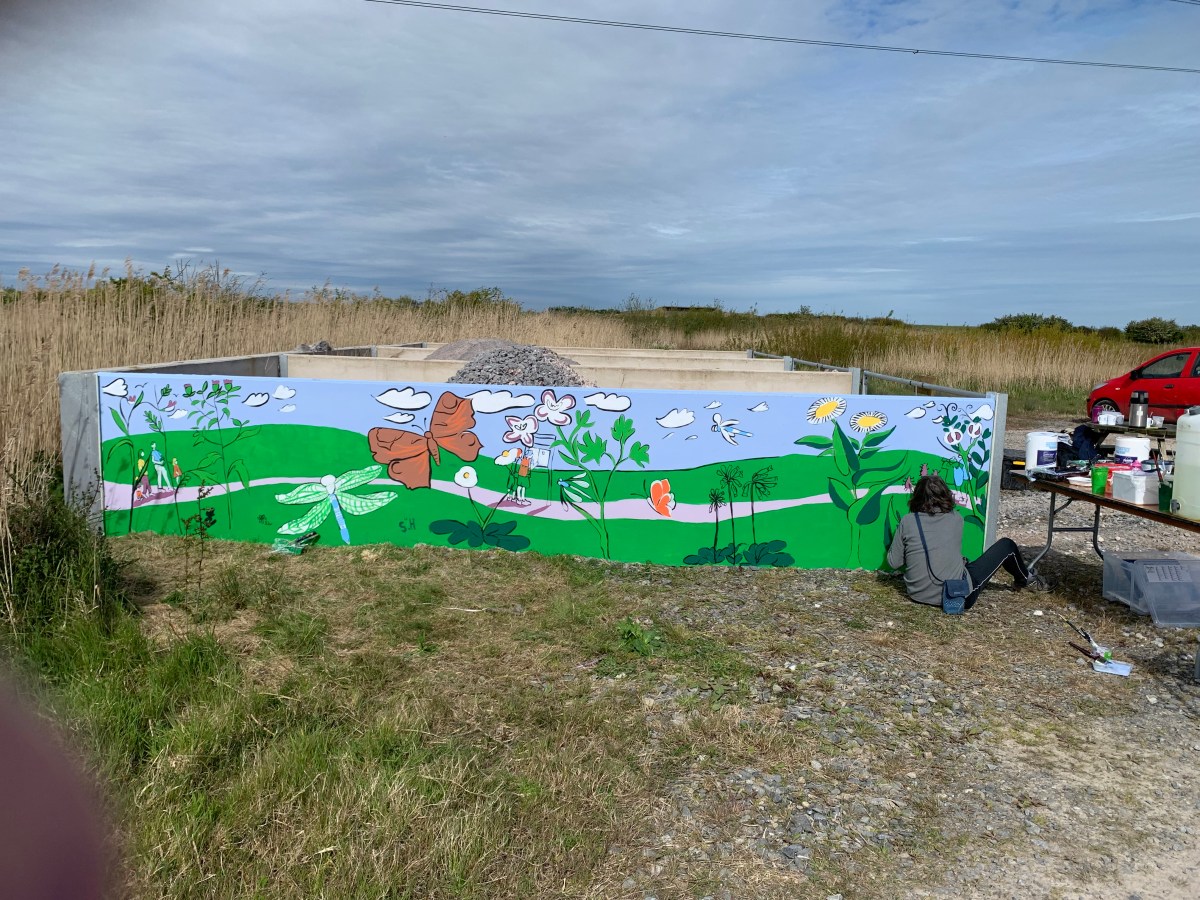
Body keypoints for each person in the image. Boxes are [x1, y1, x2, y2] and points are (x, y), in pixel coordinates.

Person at [886, 474, 1049, 609]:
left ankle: (1025, 578)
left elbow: (893, 563)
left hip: (917, 594)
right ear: (946, 495)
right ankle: (1025, 578)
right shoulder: (956, 518)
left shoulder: (907, 521)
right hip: (954, 595)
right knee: (1006, 545)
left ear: (916, 498)